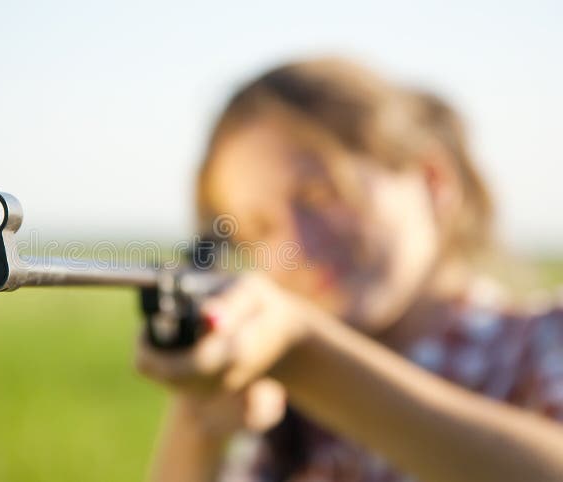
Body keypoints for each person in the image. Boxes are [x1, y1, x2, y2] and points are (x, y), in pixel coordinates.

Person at [135, 57, 563, 482]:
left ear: (433, 179)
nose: (298, 246)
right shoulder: (283, 418)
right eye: (260, 228)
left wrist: (300, 348)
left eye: (320, 194)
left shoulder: (542, 344)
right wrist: (199, 421)